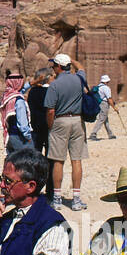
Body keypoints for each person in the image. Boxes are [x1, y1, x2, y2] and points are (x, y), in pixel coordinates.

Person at [44, 53, 88, 211]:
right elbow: (81, 67)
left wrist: (51, 126)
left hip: (60, 121)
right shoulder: (79, 78)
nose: (53, 68)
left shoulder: (55, 84)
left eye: (54, 65)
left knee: (58, 161)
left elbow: (50, 110)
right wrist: (71, 59)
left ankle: (57, 199)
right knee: (77, 160)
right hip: (77, 121)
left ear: (59, 67)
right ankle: (76, 199)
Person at [87, 74, 119, 141]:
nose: (108, 83)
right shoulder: (106, 88)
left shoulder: (98, 87)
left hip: (98, 104)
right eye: (107, 82)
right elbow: (109, 99)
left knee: (105, 119)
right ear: (105, 82)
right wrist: (114, 107)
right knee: (102, 119)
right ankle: (93, 134)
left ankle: (110, 134)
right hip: (104, 104)